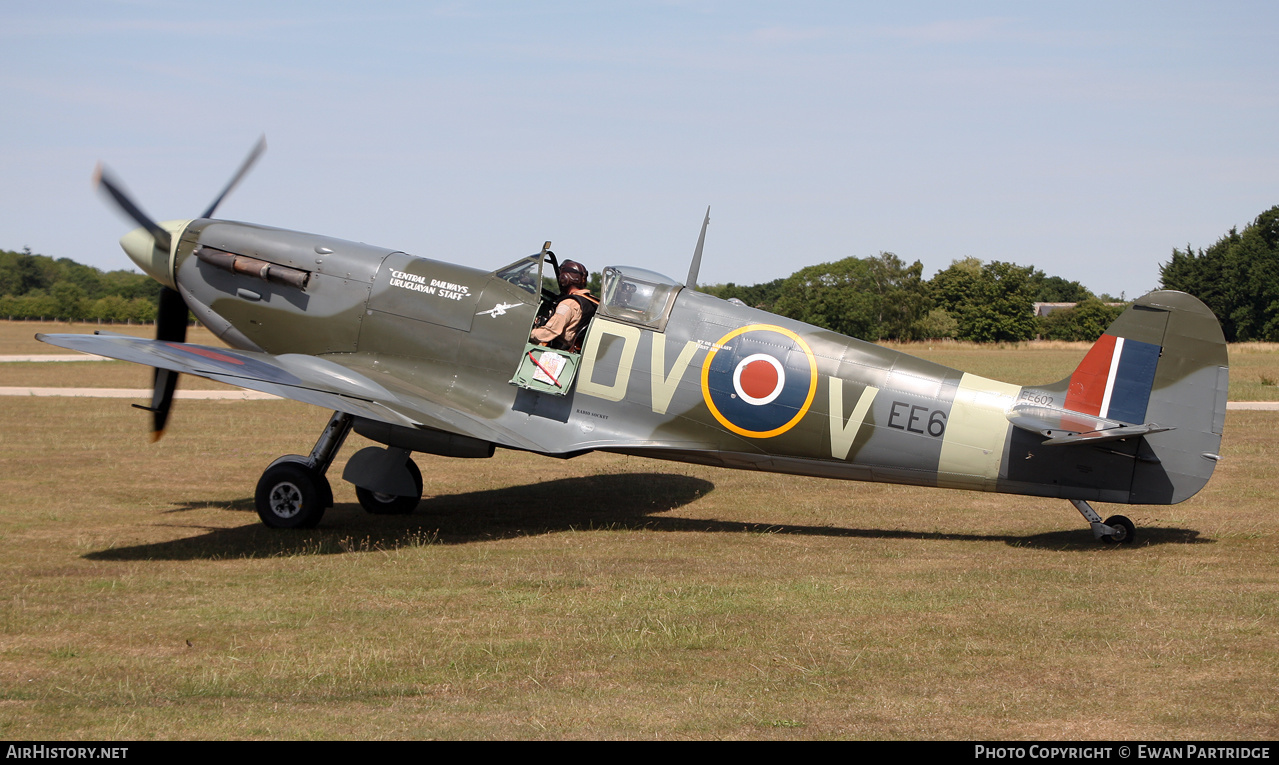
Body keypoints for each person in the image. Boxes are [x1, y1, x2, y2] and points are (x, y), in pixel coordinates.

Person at [531, 260, 598, 351]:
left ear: (565, 278)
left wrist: (529, 333)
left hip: (560, 352)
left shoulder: (568, 304)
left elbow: (551, 332)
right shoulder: (592, 301)